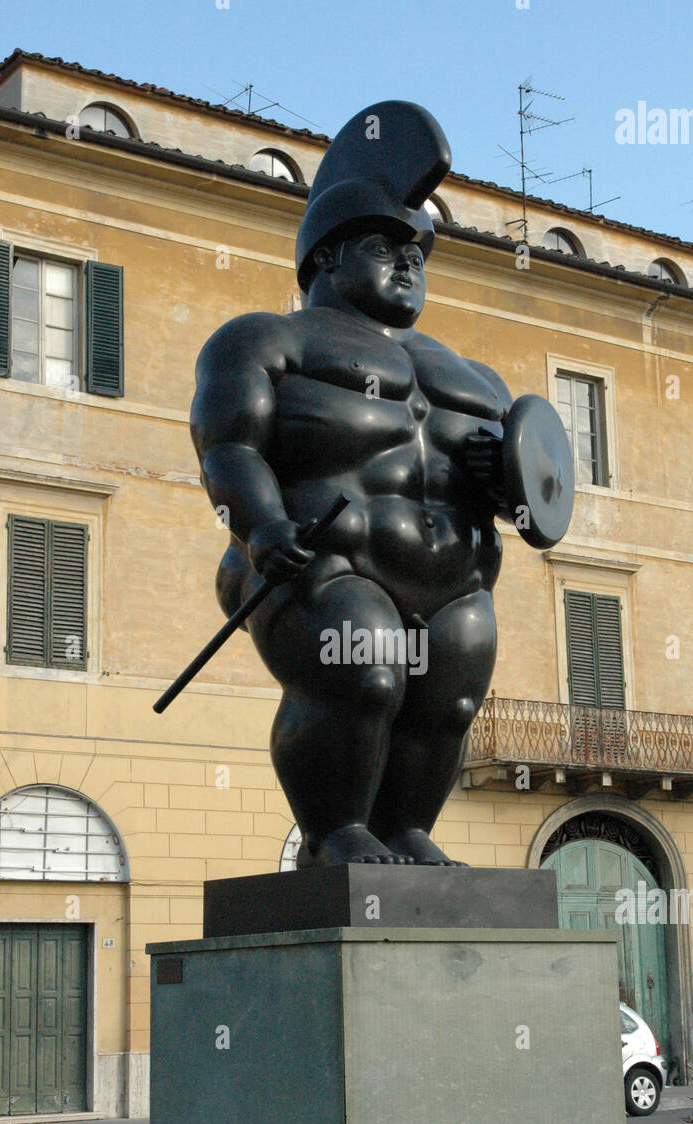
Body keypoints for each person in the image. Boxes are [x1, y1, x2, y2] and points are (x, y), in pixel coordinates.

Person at [190, 102, 512, 867]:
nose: (407, 263)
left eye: (418, 254)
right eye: (383, 246)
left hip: (455, 584)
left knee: (449, 703)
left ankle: (407, 829)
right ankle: (333, 833)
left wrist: (500, 480)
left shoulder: (475, 378)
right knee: (363, 669)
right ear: (328, 260)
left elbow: (529, 495)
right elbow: (227, 445)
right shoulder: (265, 339)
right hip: (319, 565)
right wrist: (261, 526)